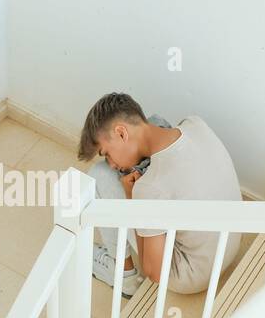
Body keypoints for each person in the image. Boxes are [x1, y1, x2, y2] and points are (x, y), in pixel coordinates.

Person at [78, 92, 243, 296]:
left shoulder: (148, 188)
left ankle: (124, 276)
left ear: (121, 133)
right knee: (159, 123)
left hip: (191, 275)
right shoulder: (195, 123)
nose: (111, 163)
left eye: (106, 153)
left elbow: (154, 273)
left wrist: (133, 196)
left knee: (99, 175)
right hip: (232, 240)